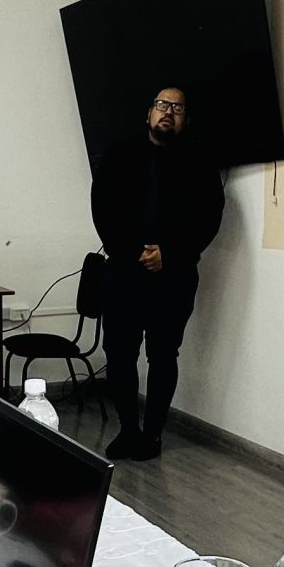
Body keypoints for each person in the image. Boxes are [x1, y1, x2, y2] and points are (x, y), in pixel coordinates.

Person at [90, 85, 224, 460]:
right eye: (162, 105)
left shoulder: (200, 164)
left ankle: (152, 435)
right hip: (123, 274)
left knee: (163, 356)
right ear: (149, 112)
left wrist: (170, 254)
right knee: (119, 355)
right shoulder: (119, 156)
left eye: (178, 108)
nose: (169, 112)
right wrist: (134, 252)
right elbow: (103, 209)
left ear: (186, 119)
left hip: (175, 276)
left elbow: (209, 219)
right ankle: (128, 430)